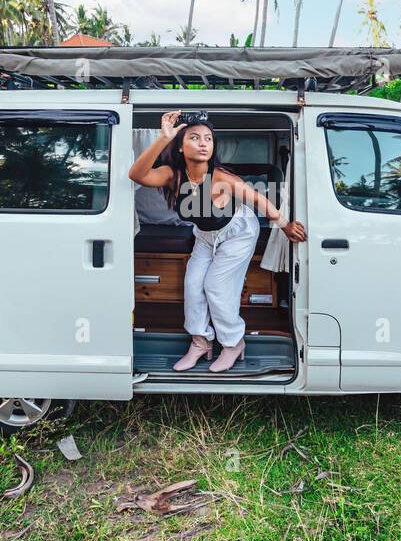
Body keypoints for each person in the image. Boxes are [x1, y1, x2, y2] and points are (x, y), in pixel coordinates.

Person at [128, 110, 306, 372]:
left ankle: (233, 343)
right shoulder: (171, 174)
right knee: (192, 285)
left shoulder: (221, 177)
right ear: (179, 146)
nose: (203, 143)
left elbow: (258, 200)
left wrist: (285, 226)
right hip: (205, 236)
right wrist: (163, 138)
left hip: (238, 232)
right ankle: (200, 342)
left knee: (216, 286)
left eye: (208, 139)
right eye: (195, 138)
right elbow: (137, 174)